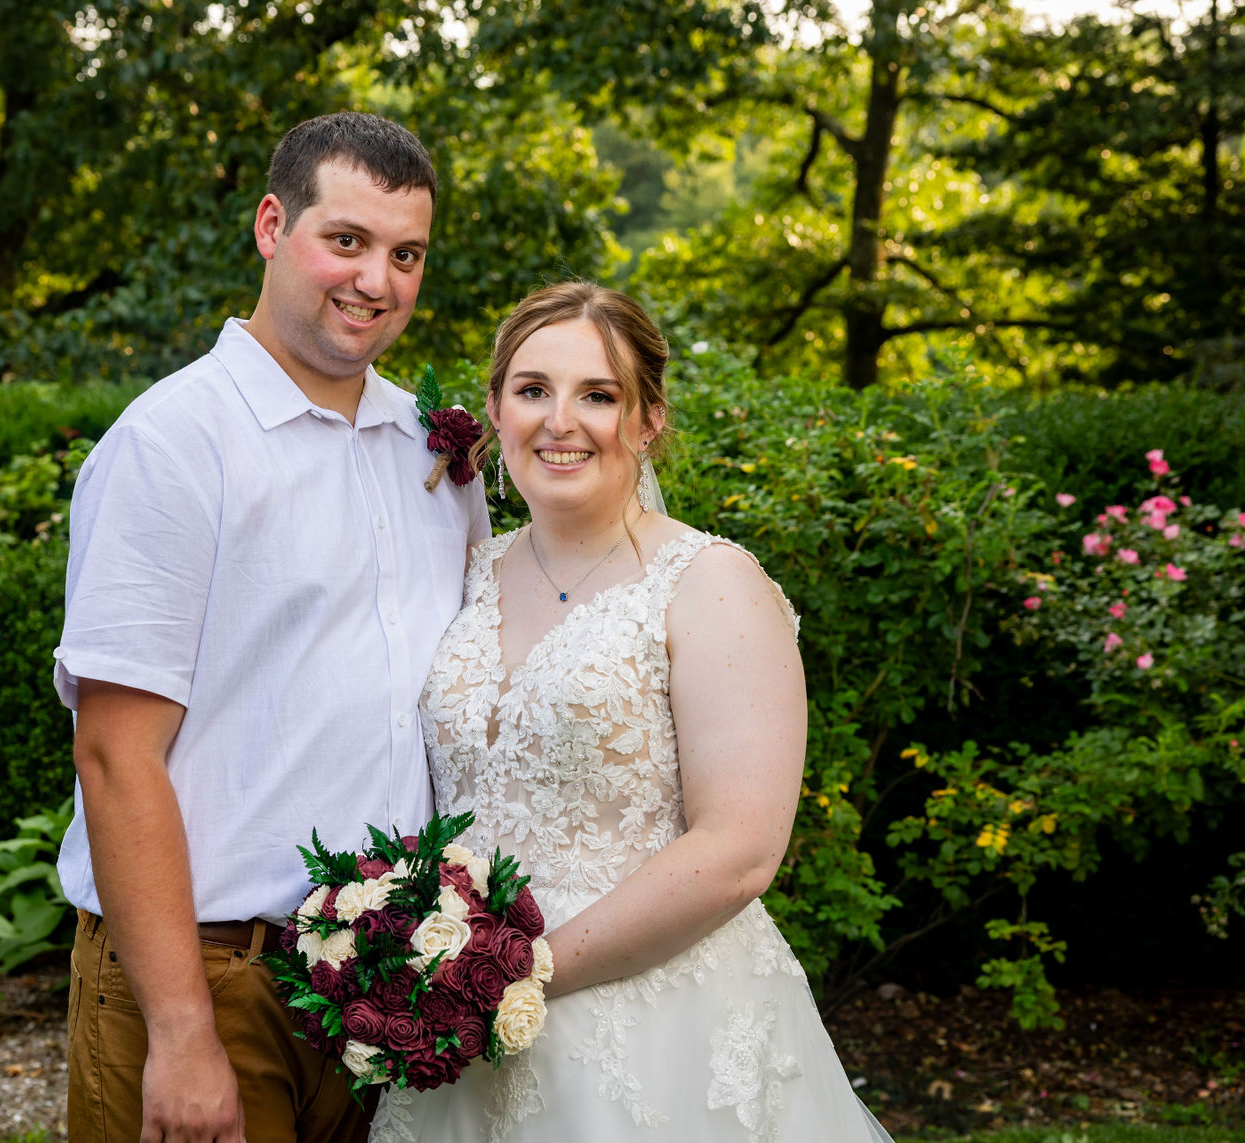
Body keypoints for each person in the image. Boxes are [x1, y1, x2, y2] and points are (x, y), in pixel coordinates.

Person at [52, 111, 491, 1143]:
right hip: (208, 974)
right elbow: (115, 754)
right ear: (269, 226)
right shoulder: (173, 444)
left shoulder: (434, 455)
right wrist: (181, 1030)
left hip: (382, 987)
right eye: (346, 240)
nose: (376, 280)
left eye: (406, 254)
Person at [371, 282, 894, 1142]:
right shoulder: (464, 572)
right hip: (459, 1027)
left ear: (649, 419)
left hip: (653, 1027)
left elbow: (739, 851)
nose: (560, 421)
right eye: (533, 389)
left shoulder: (711, 583)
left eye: (598, 395)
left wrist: (524, 972)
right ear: (495, 409)